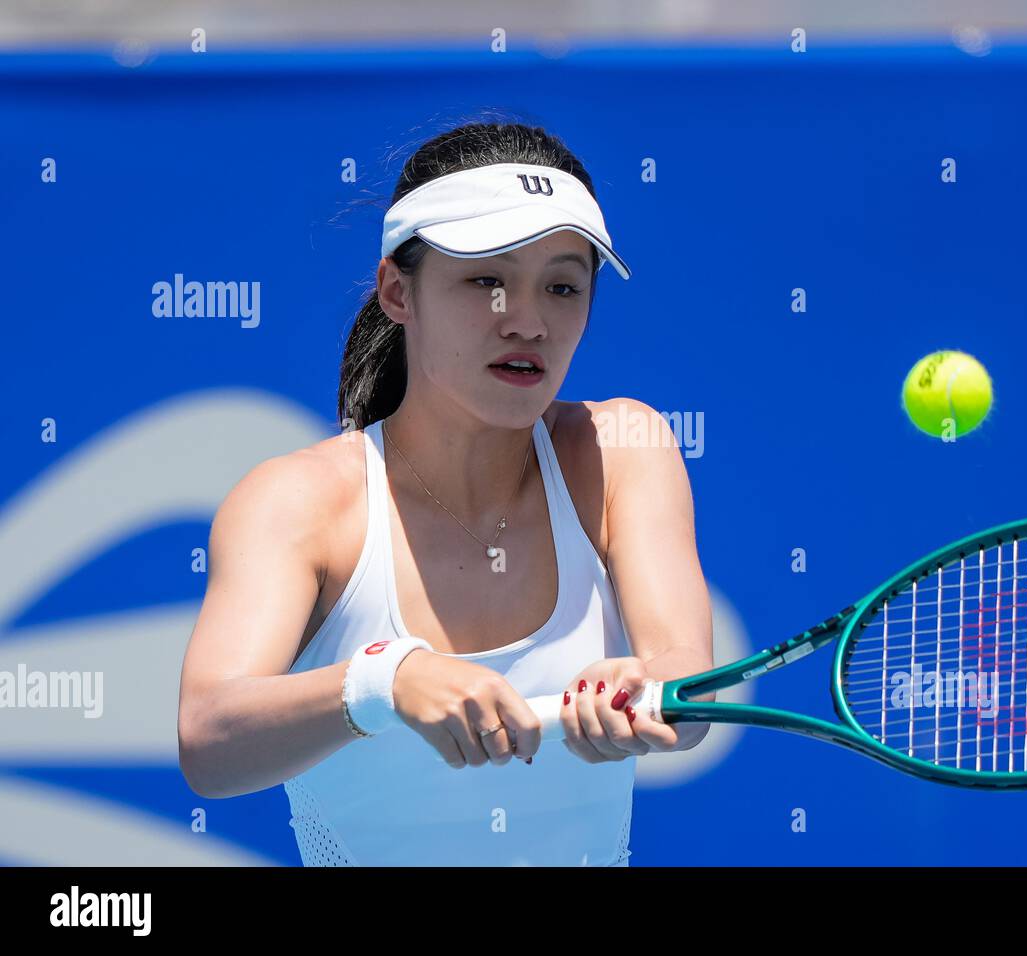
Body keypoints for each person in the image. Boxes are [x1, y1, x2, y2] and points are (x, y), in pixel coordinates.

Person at [177, 120, 714, 865]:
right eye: (485, 279)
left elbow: (688, 688)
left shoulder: (621, 450)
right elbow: (209, 738)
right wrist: (382, 680)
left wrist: (646, 687)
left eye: (563, 285)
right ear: (399, 291)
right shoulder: (296, 503)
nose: (526, 321)